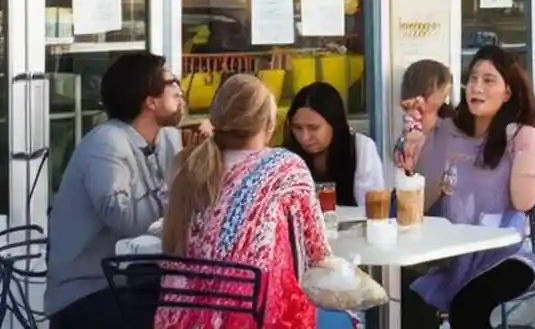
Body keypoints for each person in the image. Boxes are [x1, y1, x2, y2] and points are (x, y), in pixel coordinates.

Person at [159, 74, 331, 329]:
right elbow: (318, 255)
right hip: (259, 320)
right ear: (270, 126)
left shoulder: (188, 167)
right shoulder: (285, 168)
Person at [397, 46, 535, 329]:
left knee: (467, 307)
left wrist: (527, 143)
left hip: (508, 254)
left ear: (508, 92)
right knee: (405, 293)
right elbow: (420, 202)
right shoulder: (448, 132)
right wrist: (419, 139)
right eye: (473, 78)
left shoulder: (518, 137)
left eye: (488, 80)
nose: (476, 87)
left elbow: (524, 201)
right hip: (452, 255)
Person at [46, 52, 185, 328]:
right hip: (89, 288)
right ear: (150, 100)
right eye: (172, 82)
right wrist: (173, 192)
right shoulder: (106, 143)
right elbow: (124, 220)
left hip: (139, 277)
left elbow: (180, 209)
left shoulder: (169, 137)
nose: (180, 91)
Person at [284, 81, 385, 207]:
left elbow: (371, 208)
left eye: (313, 128)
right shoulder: (286, 157)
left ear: (334, 124)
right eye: (297, 128)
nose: (304, 138)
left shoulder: (361, 149)